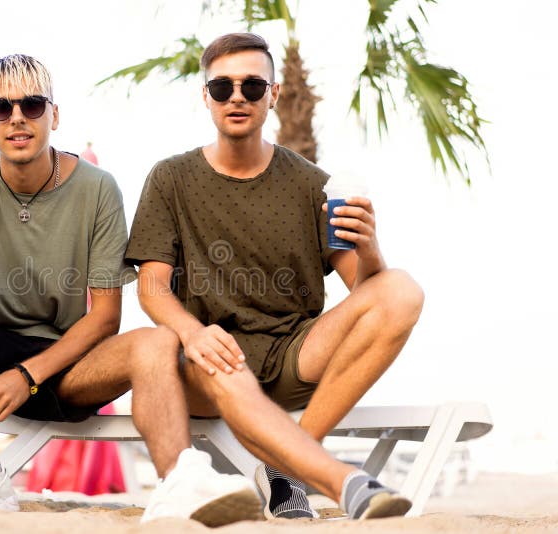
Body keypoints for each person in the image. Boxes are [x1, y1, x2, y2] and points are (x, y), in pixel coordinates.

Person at [0, 54, 263, 526]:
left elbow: (105, 318)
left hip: (62, 363)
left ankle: (179, 480)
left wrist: (27, 374)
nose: (17, 117)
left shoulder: (97, 190)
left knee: (157, 340)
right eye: (0, 108)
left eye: (32, 105)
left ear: (54, 115)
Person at [124, 33, 425, 520]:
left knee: (402, 289)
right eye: (222, 88)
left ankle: (289, 463)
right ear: (206, 97)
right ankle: (316, 472)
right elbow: (151, 286)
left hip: (294, 356)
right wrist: (192, 333)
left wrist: (370, 247)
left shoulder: (312, 184)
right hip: (209, 358)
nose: (237, 97)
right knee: (217, 356)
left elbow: (369, 293)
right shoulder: (171, 178)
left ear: (274, 94)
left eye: (252, 86)